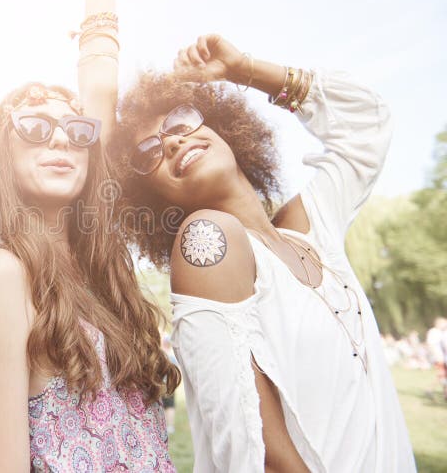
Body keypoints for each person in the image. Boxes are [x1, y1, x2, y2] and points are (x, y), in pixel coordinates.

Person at [107, 33, 415, 471]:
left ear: (223, 127)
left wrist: (242, 70)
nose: (172, 142)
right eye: (150, 152)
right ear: (151, 197)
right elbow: (260, 455)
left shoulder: (314, 230)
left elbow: (369, 120)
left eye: (179, 124)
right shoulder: (207, 240)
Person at [0, 0, 180, 471]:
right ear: (3, 156)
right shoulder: (2, 274)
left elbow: (100, 89)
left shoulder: (101, 271)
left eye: (75, 130)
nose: (60, 140)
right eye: (35, 127)